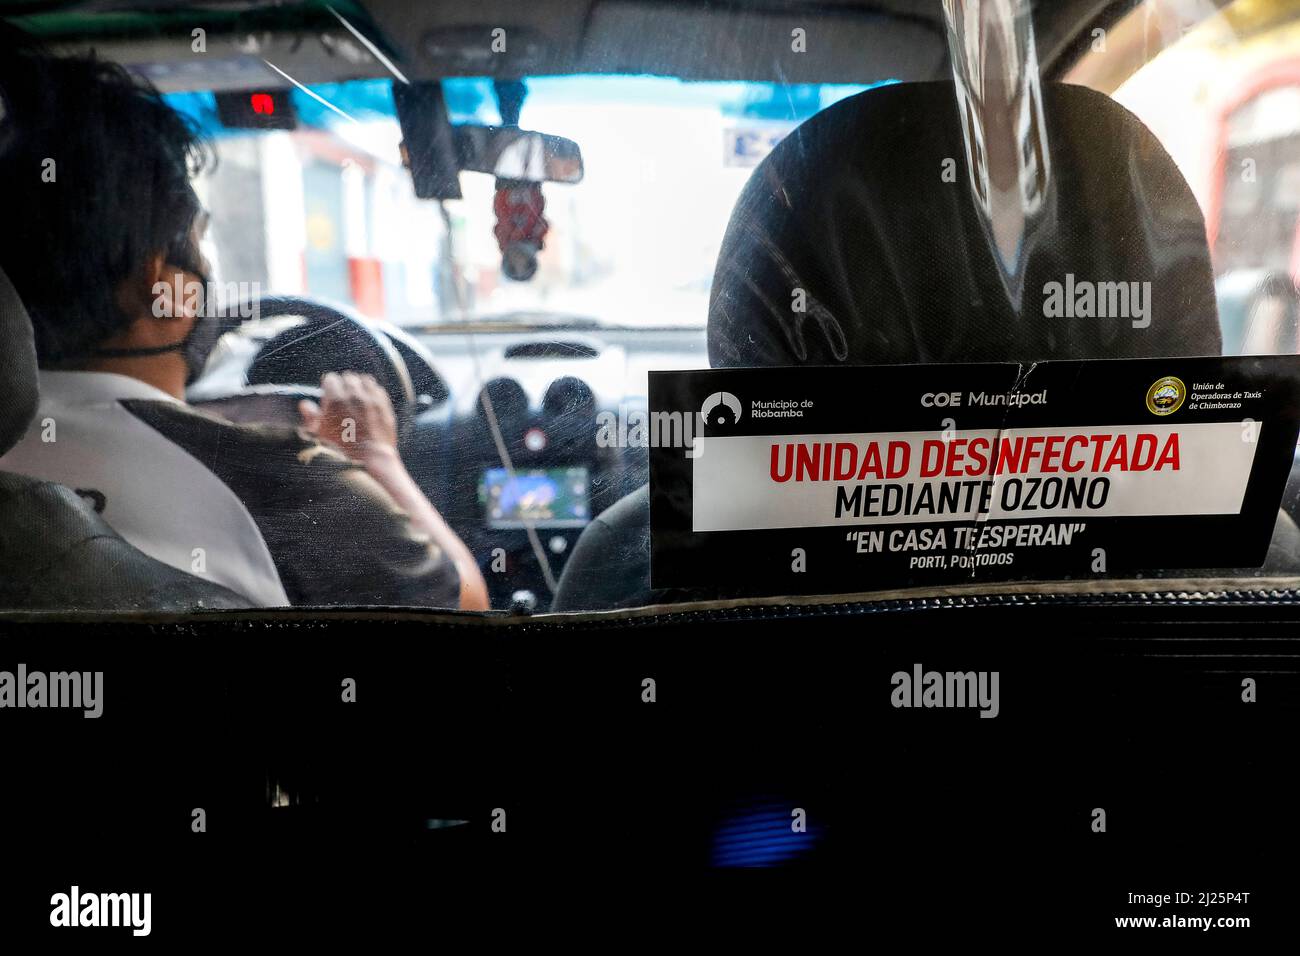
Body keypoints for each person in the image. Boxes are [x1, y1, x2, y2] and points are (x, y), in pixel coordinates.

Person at [0, 40, 488, 610]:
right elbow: (467, 609)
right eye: (200, 243)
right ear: (164, 285)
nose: (207, 269)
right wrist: (374, 458)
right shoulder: (286, 479)